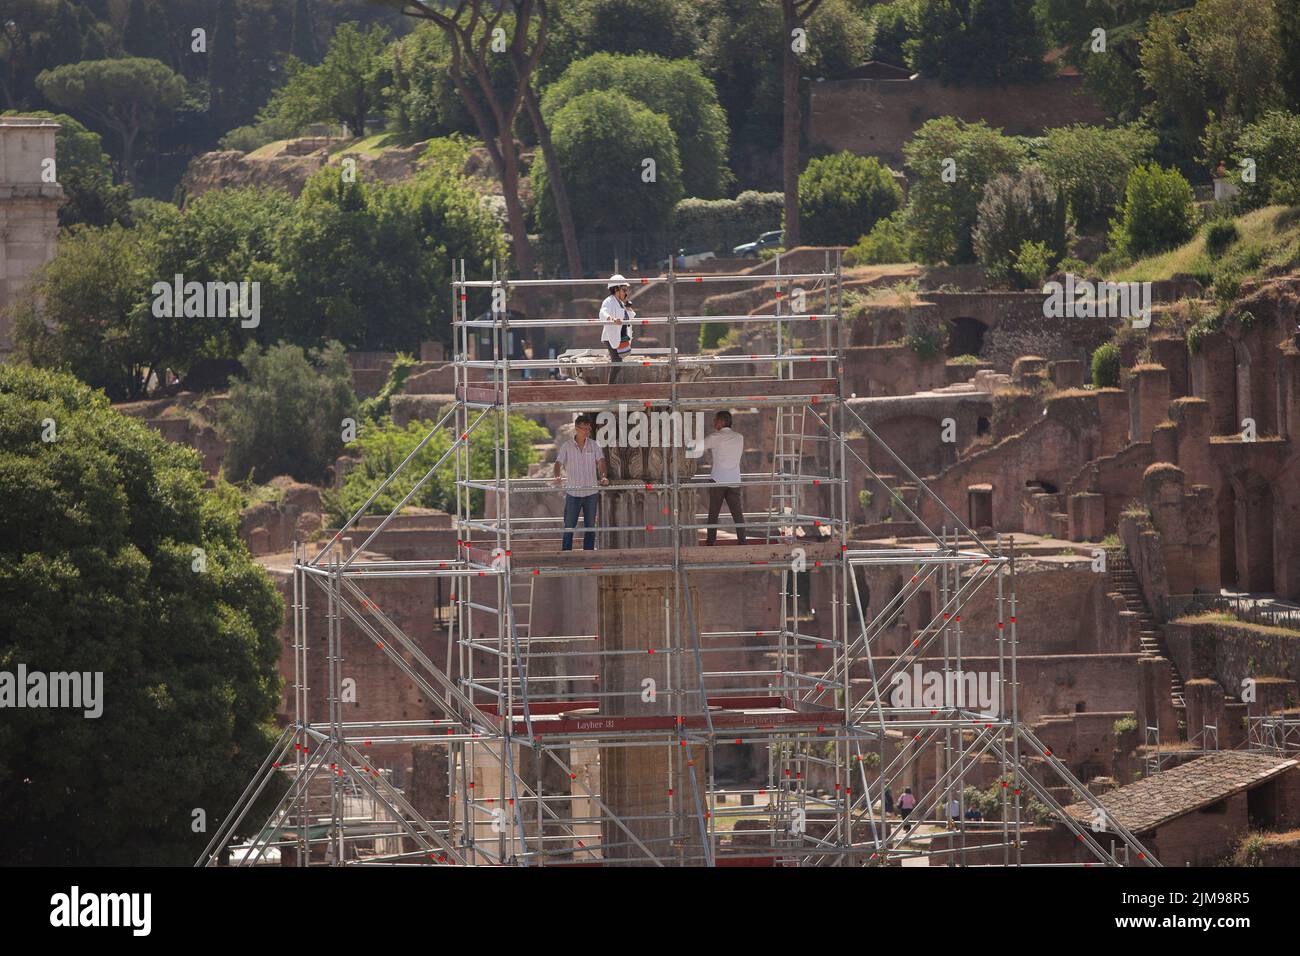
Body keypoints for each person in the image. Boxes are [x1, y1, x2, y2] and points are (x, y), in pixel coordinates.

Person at [553, 414, 609, 550]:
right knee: (569, 526)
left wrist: (603, 476)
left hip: (591, 492)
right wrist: (557, 476)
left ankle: (588, 554)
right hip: (573, 492)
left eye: (589, 429)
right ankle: (566, 555)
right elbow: (558, 463)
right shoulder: (567, 446)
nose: (587, 431)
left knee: (590, 527)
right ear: (577, 429)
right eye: (585, 429)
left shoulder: (594, 445)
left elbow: (601, 461)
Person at [701, 410, 746, 545]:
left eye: (715, 420)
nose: (713, 422)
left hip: (718, 480)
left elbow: (695, 448)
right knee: (738, 514)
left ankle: (711, 542)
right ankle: (742, 542)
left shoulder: (716, 437)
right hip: (734, 480)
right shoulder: (739, 437)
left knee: (713, 513)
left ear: (721, 422)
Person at [599, 274, 635, 385]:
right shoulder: (609, 301)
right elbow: (603, 312)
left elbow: (629, 317)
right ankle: (610, 386)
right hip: (611, 337)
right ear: (616, 289)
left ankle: (612, 385)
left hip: (620, 336)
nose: (626, 293)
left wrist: (628, 307)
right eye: (624, 290)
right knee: (617, 362)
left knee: (620, 360)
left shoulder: (620, 303)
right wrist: (612, 319)